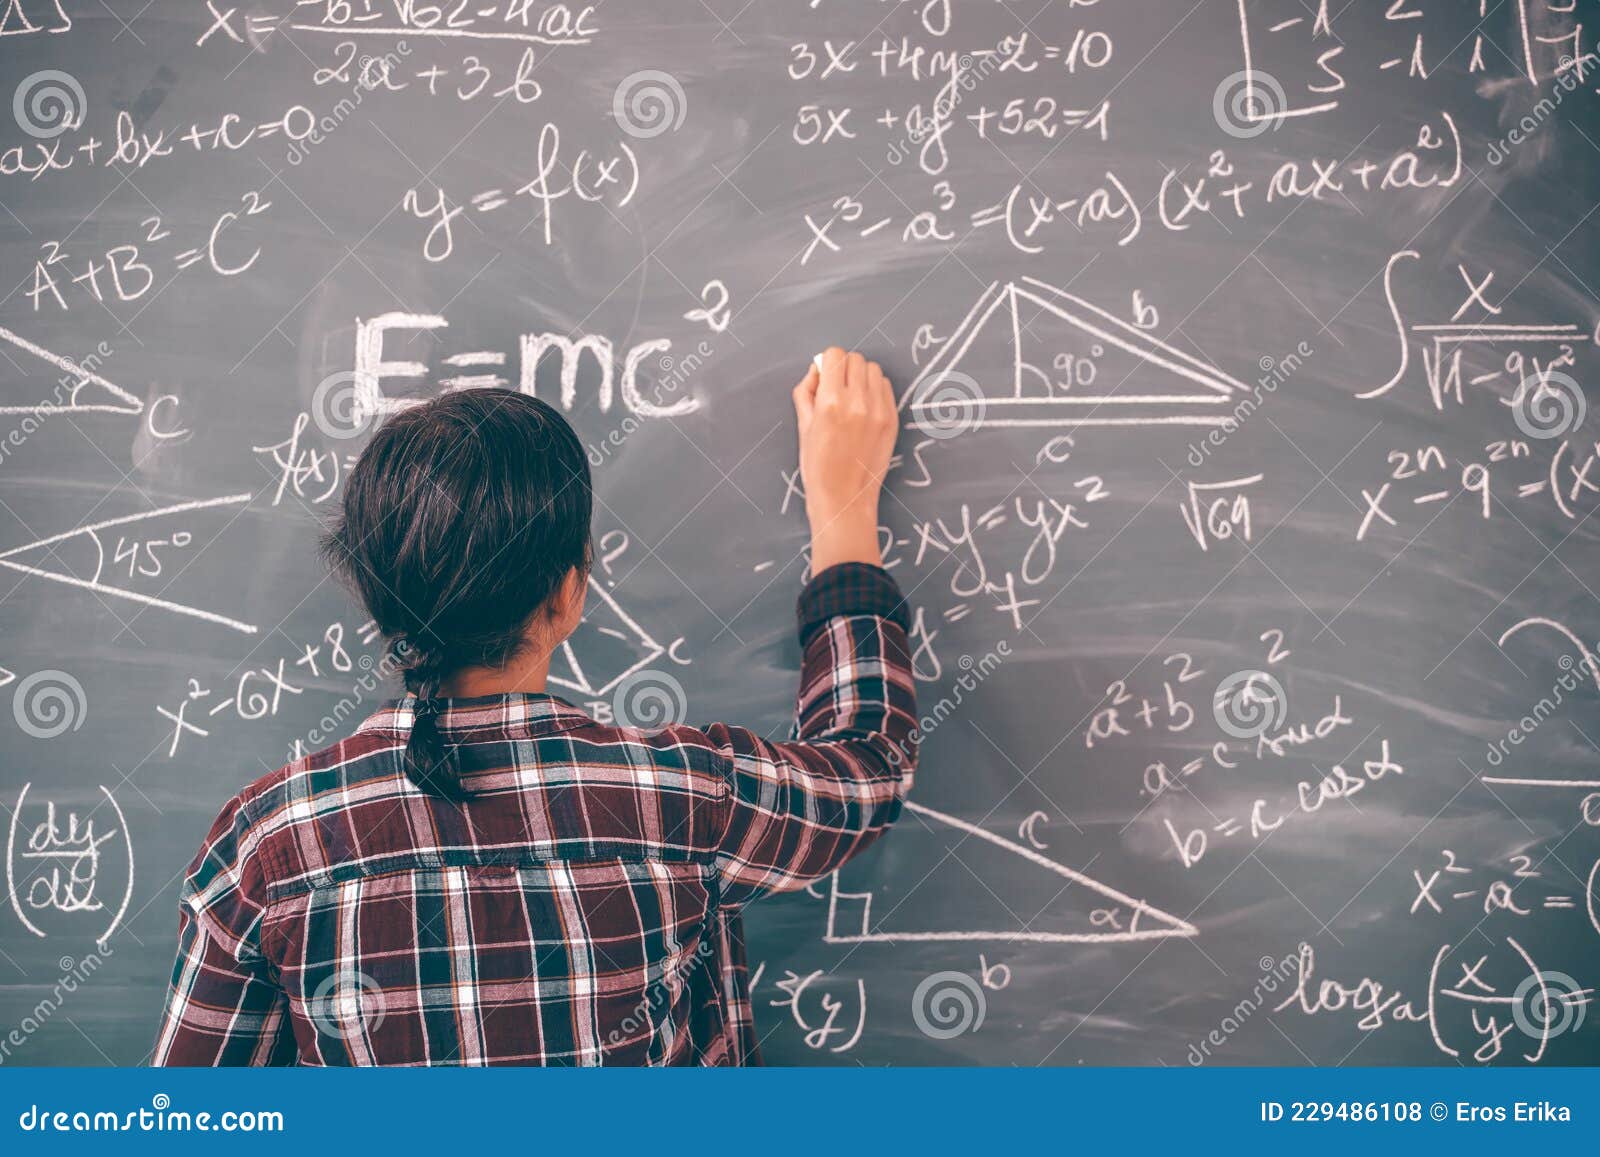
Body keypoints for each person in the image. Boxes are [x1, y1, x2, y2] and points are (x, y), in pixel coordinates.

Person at [152, 349, 916, 1066]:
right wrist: (844, 511)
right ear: (568, 593)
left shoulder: (268, 850)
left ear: (378, 596)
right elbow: (868, 769)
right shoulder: (679, 801)